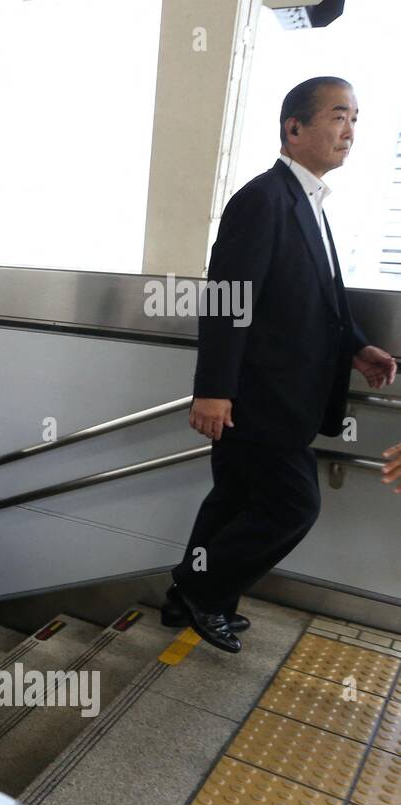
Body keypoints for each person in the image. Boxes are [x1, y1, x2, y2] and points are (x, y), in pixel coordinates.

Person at [164, 77, 396, 653]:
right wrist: (212, 390)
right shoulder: (262, 200)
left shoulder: (309, 201)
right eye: (338, 117)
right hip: (258, 398)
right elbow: (227, 302)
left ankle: (183, 597)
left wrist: (358, 346)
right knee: (294, 504)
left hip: (283, 396)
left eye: (356, 119)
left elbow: (318, 297)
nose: (350, 131)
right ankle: (202, 589)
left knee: (235, 499)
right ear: (294, 128)